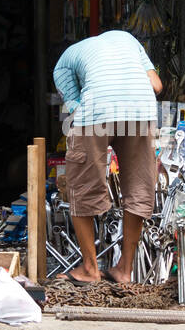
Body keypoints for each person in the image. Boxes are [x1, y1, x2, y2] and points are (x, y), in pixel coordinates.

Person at [52, 30, 162, 284]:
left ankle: (90, 269)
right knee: (138, 188)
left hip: (97, 110)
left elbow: (78, 109)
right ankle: (124, 269)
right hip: (141, 108)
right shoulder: (128, 39)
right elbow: (156, 85)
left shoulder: (63, 64)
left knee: (82, 186)